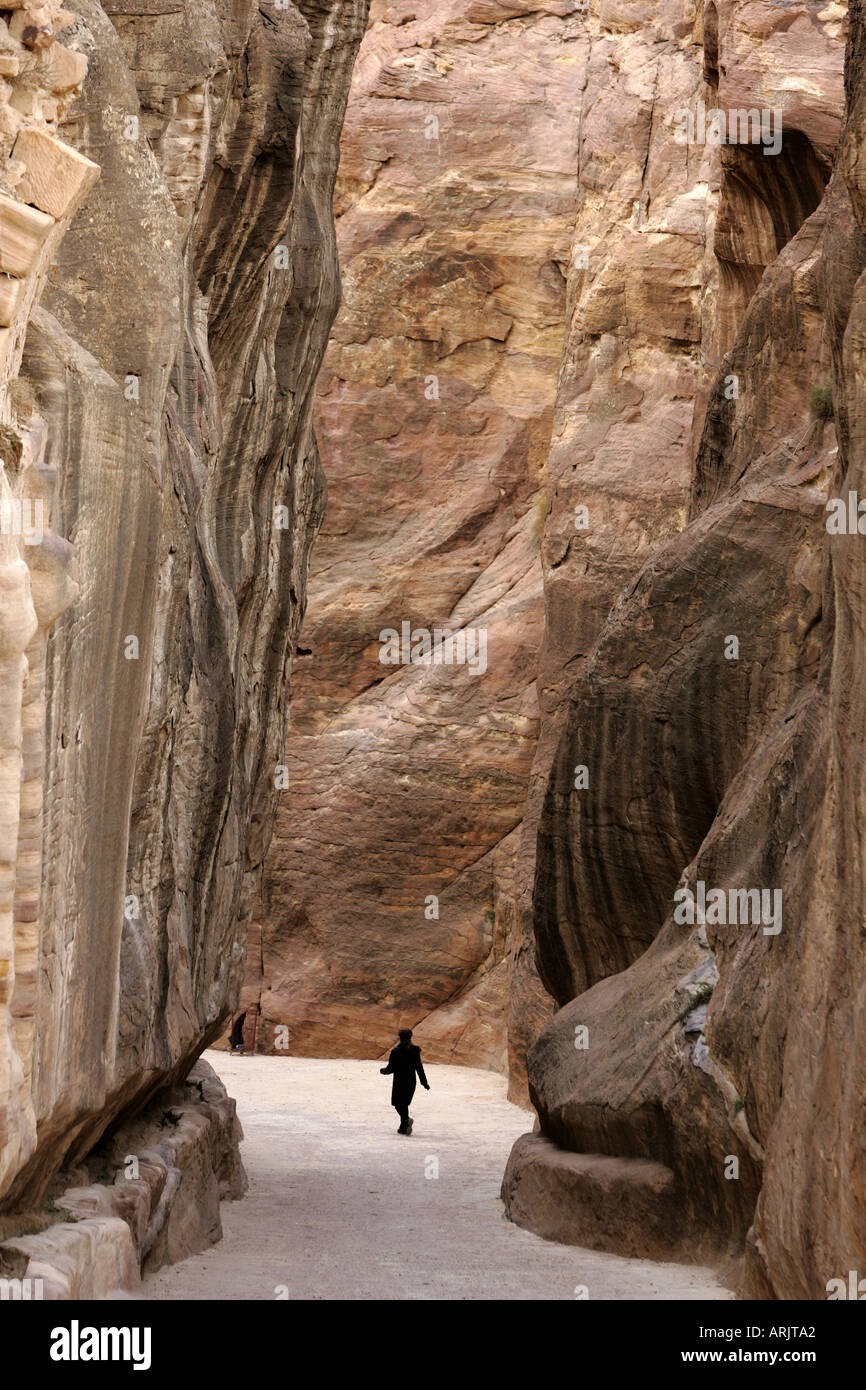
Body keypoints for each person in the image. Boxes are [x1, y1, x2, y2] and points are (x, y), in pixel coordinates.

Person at [380, 1028, 429, 1134]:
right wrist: (424, 1082)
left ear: (399, 1037)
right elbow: (419, 1068)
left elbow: (390, 1069)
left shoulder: (395, 1051)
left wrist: (382, 1071)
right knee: (404, 1104)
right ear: (411, 1037)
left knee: (398, 1104)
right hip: (411, 1081)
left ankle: (406, 1120)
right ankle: (403, 1127)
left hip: (399, 1081)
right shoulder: (415, 1050)